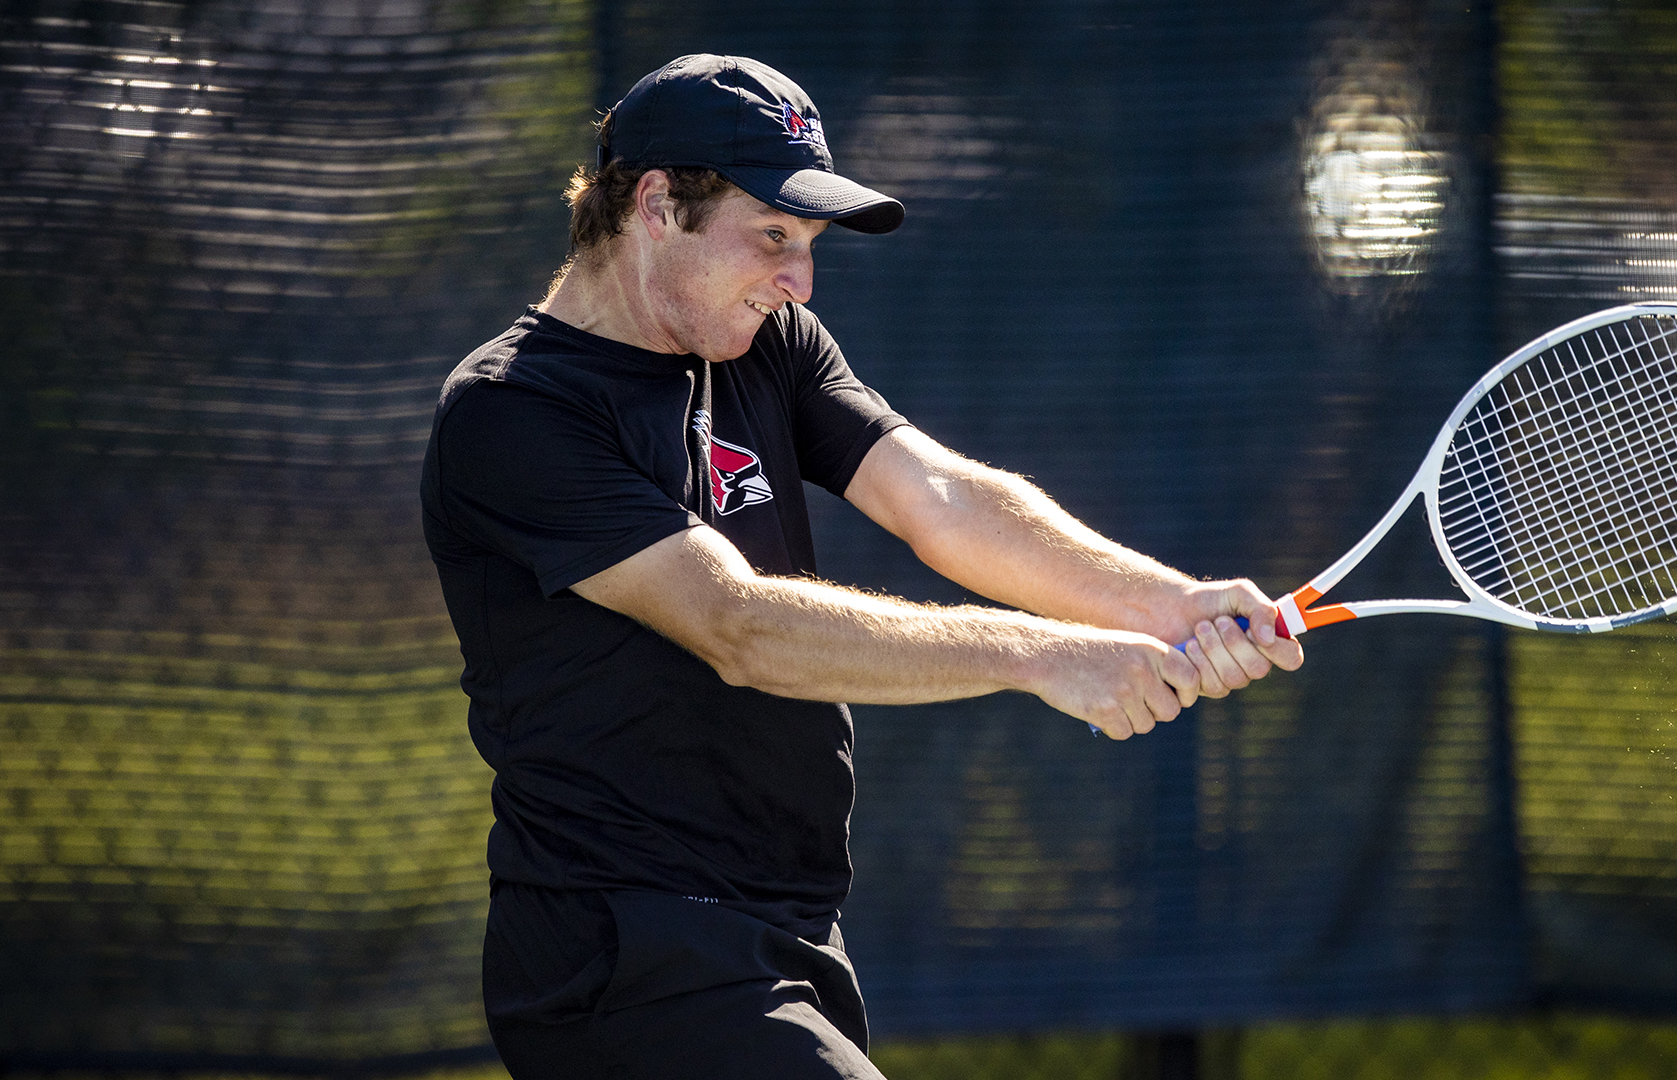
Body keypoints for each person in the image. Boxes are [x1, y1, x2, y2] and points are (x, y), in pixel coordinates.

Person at [420, 54, 1302, 1080]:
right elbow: (738, 627)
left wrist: (1167, 603)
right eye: (773, 239)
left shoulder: (769, 341)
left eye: (810, 246)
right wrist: (1043, 656)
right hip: (624, 948)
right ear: (656, 205)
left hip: (787, 928)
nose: (799, 280)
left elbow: (946, 500)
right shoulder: (513, 411)